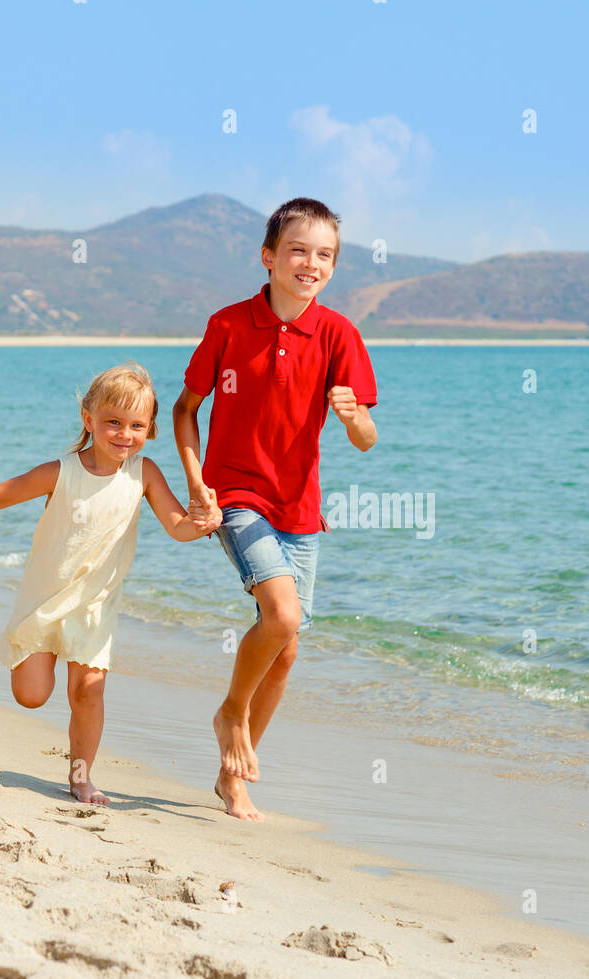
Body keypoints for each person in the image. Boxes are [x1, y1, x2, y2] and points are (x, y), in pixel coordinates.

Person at [0, 360, 218, 804]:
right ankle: (35, 672)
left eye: (136, 425)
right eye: (113, 422)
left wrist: (206, 520)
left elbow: (177, 526)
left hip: (95, 607)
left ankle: (81, 777)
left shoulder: (144, 474)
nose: (124, 434)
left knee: (88, 694)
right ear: (88, 419)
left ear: (149, 429)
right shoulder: (60, 471)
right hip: (44, 602)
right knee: (32, 696)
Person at [173, 198, 378, 821]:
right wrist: (197, 485)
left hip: (300, 508)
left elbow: (366, 437)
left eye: (324, 255)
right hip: (235, 495)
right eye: (297, 250)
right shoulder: (229, 325)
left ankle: (232, 779)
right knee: (283, 616)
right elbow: (186, 410)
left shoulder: (339, 333)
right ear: (268, 258)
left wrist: (354, 418)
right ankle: (231, 710)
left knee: (285, 647)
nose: (309, 262)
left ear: (334, 267)